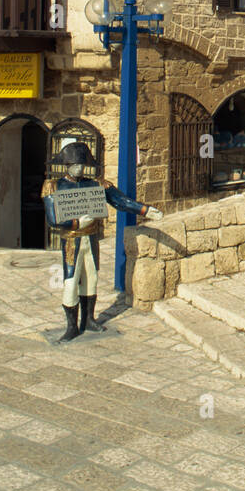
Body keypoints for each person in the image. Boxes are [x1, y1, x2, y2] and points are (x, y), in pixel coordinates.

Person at [43, 141, 162, 342]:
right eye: (75, 165)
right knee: (71, 282)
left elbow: (120, 201)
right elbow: (53, 218)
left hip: (91, 238)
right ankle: (72, 326)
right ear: (67, 166)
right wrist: (77, 222)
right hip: (73, 240)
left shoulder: (96, 184)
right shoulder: (54, 186)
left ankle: (88, 319)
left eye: (82, 165)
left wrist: (145, 210)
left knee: (92, 279)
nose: (79, 168)